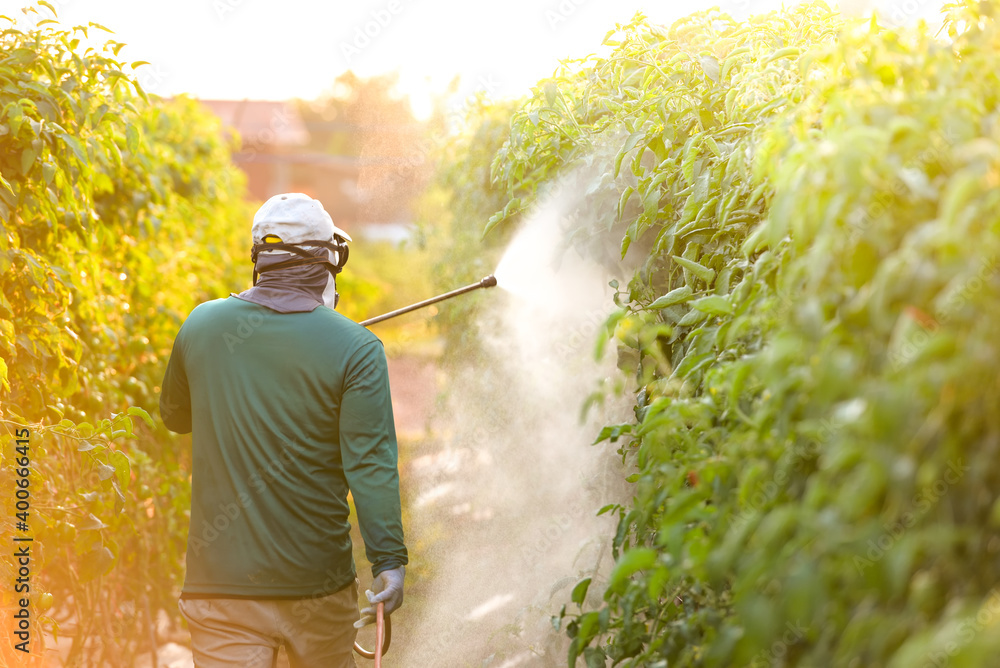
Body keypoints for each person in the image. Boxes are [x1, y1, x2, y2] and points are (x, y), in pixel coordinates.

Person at [159, 193, 407, 668]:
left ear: (260, 259)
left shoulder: (201, 325)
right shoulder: (357, 348)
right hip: (316, 588)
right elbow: (370, 464)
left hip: (219, 590)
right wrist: (389, 563)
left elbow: (176, 416)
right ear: (325, 260)